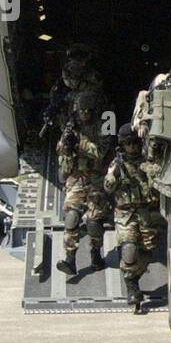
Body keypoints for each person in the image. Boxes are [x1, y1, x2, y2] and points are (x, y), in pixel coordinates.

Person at [104, 123, 164, 309]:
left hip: (147, 212)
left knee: (147, 251)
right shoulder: (118, 164)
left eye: (135, 142)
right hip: (126, 213)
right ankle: (132, 287)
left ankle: (134, 274)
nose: (132, 147)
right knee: (129, 248)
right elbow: (107, 187)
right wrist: (113, 176)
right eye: (128, 143)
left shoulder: (149, 160)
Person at [55, 89, 113, 275]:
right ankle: (70, 259)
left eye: (88, 111)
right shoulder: (71, 127)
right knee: (71, 217)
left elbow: (101, 151)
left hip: (96, 178)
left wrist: (79, 143)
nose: (85, 114)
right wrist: (66, 143)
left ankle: (96, 252)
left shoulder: (104, 124)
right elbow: (61, 151)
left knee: (94, 222)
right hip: (76, 178)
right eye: (82, 111)